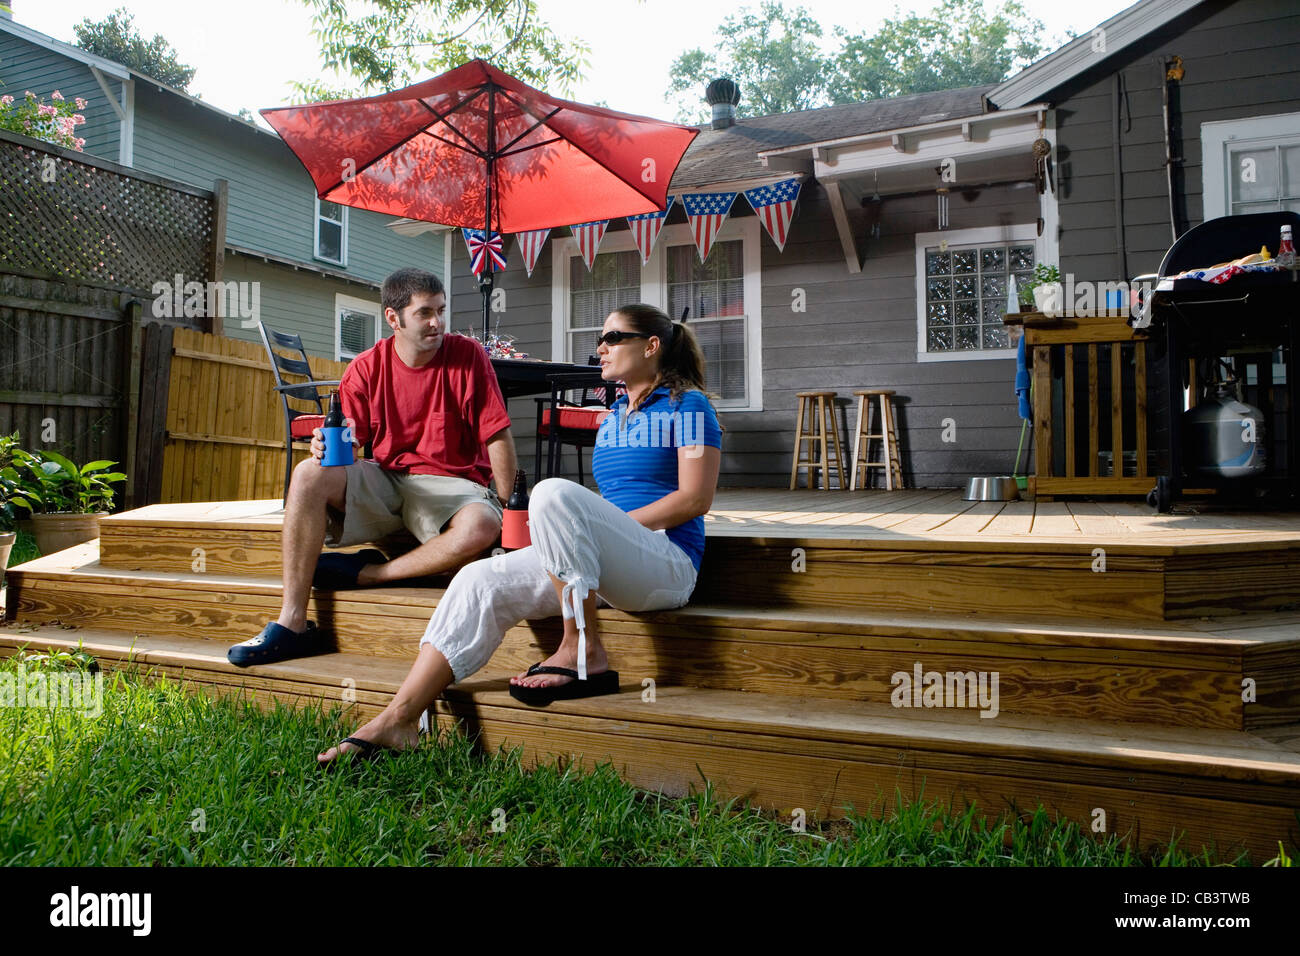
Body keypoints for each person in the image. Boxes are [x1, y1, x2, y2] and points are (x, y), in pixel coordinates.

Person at [317, 302, 723, 763]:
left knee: (551, 493)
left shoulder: (688, 405)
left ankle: (582, 651)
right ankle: (399, 717)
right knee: (478, 579)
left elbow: (695, 499)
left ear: (651, 347)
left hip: (667, 563)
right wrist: (579, 538)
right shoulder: (615, 416)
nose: (600, 348)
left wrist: (599, 531)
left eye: (613, 338)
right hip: (611, 565)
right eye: (600, 338)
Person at [228, 268, 519, 667]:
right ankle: (292, 622)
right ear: (393, 318)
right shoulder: (367, 367)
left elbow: (497, 436)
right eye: (424, 313)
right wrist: (322, 446)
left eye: (441, 310)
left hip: (453, 486)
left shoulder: (467, 356)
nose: (437, 322)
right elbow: (348, 442)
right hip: (387, 479)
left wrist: (511, 514)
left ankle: (370, 574)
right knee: (307, 474)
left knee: (482, 527)